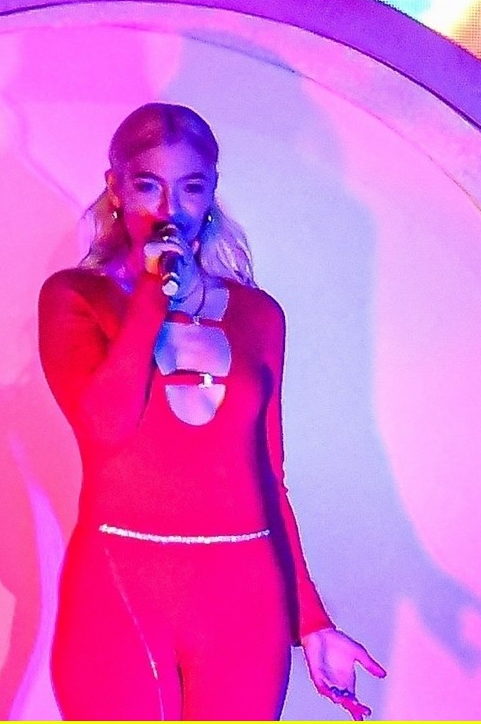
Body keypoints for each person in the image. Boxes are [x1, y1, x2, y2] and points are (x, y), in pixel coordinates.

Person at [38, 102, 385, 720]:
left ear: (211, 193)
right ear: (116, 187)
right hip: (120, 586)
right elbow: (105, 426)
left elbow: (269, 476)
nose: (170, 210)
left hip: (243, 595)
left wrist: (313, 622)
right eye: (149, 186)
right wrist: (152, 292)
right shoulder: (74, 298)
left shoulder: (259, 316)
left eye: (190, 188)